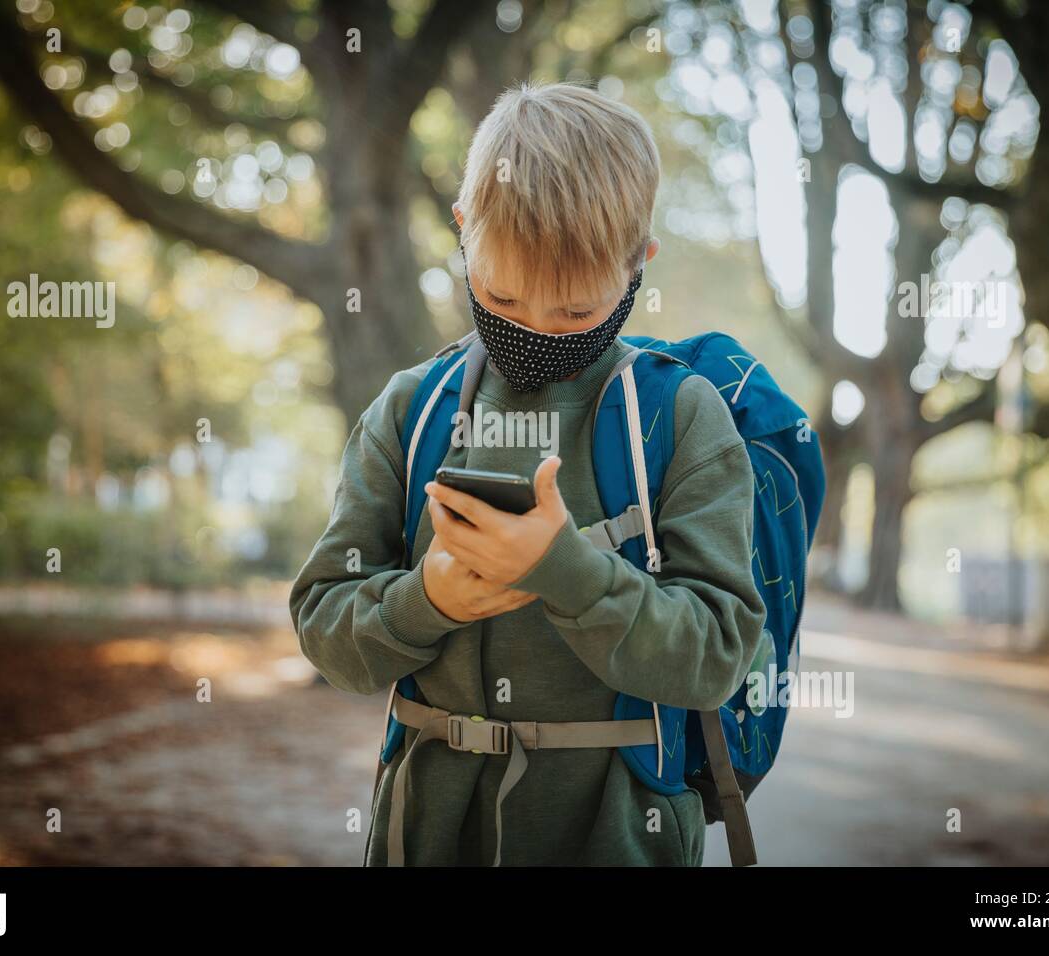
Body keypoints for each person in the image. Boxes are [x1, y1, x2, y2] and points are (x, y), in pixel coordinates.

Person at [288, 80, 767, 866]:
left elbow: (717, 655)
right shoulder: (412, 411)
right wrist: (425, 600)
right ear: (462, 230)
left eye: (575, 312)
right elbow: (325, 627)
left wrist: (567, 572)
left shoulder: (679, 417)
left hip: (616, 834)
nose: (534, 328)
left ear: (638, 262)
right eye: (501, 294)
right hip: (425, 831)